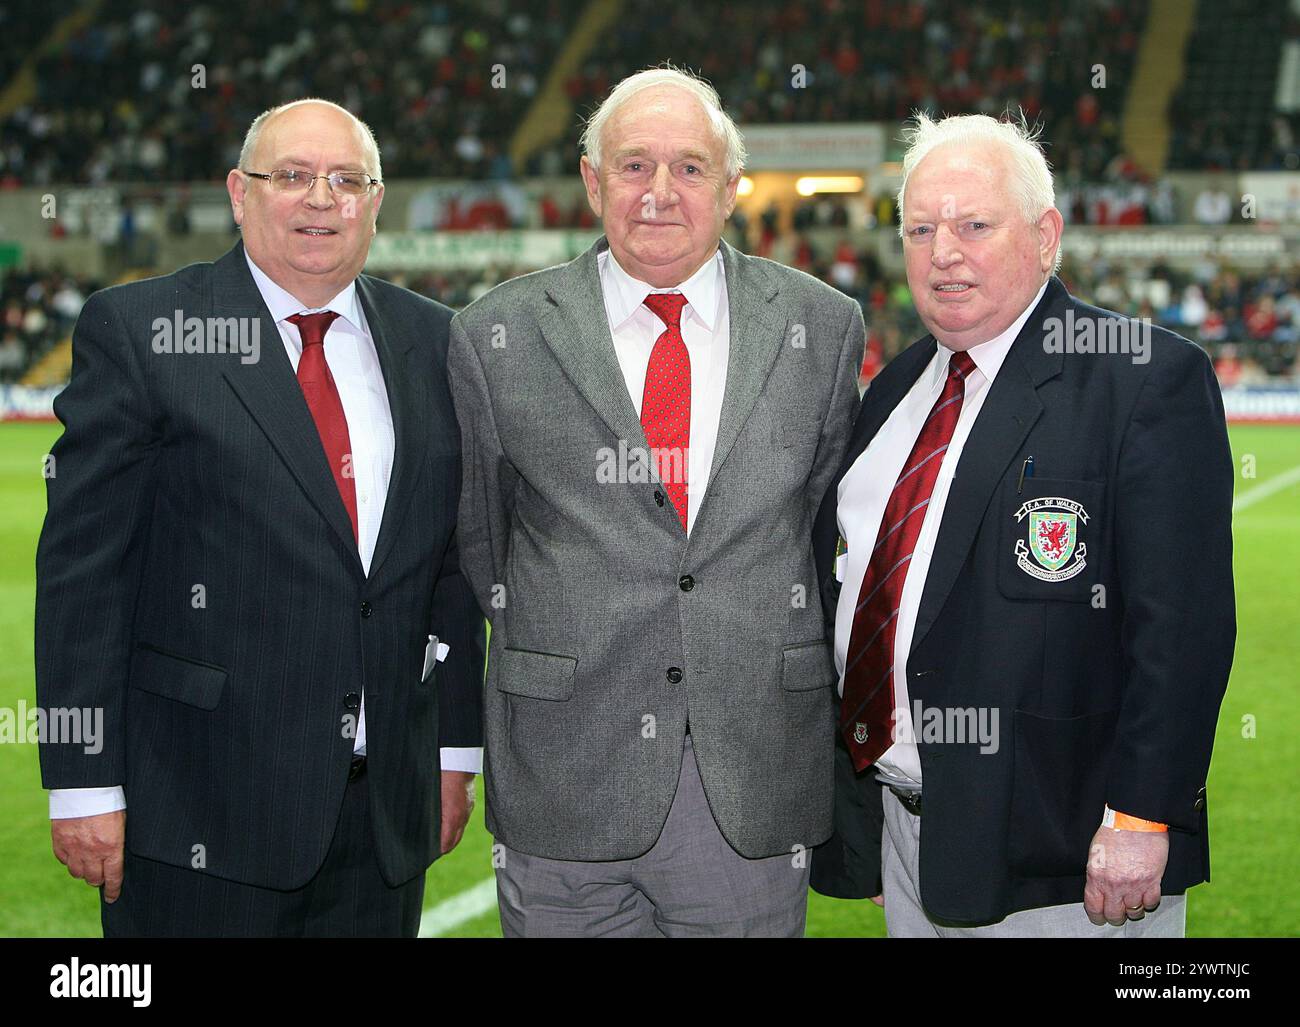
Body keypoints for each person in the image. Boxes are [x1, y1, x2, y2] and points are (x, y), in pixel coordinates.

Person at [36, 98, 484, 937]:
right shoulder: (144, 331)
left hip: (380, 818)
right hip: (197, 806)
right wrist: (85, 780)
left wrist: (455, 749)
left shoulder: (436, 342)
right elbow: (82, 576)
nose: (323, 198)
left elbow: (448, 568)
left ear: (376, 204)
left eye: (348, 179)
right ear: (240, 194)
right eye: (294, 176)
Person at [449, 67, 864, 937]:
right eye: (634, 166)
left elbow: (817, 522)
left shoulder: (821, 326)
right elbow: (484, 544)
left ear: (730, 186)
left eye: (689, 167)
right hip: (564, 773)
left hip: (748, 774)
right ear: (594, 182)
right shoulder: (499, 332)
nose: (660, 193)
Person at [809, 113, 1235, 937]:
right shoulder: (896, 391)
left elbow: (1183, 630)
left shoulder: (1143, 379)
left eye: (974, 225)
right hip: (913, 836)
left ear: (1046, 237)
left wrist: (1144, 815)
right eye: (922, 228)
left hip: (1068, 856)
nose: (944, 252)